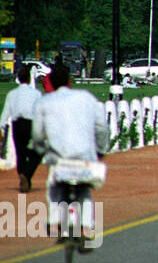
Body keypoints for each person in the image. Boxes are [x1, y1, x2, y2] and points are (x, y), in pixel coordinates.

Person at [30, 63, 109, 242]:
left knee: (55, 187)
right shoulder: (86, 98)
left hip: (58, 159)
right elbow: (102, 127)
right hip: (84, 157)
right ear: (70, 81)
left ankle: (55, 222)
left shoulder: (44, 102)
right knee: (84, 192)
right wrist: (101, 149)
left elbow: (36, 133)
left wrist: (39, 148)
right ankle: (86, 227)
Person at [1, 63, 42, 193]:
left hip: (17, 124)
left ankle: (24, 178)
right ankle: (27, 174)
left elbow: (5, 112)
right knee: (36, 153)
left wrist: (1, 127)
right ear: (29, 79)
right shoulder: (36, 94)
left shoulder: (12, 94)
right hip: (31, 124)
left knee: (21, 153)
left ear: (18, 78)